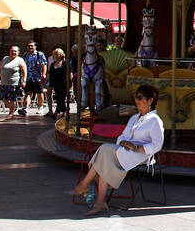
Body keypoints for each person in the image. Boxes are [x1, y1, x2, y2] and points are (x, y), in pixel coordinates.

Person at [63, 84, 164, 216]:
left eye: (140, 98)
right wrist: (123, 142)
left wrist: (137, 148)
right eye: (136, 97)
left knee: (104, 150)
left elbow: (157, 144)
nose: (137, 101)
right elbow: (123, 135)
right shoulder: (134, 118)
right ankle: (98, 202)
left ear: (150, 100)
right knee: (105, 160)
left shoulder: (155, 121)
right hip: (126, 150)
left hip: (141, 154)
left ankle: (83, 186)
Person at [0, 45, 27, 118]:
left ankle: (11, 113)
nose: (13, 52)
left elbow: (24, 70)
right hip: (4, 82)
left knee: (12, 99)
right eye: (11, 51)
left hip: (14, 83)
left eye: (15, 51)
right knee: (3, 98)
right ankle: (13, 108)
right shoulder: (5, 58)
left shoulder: (20, 60)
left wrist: (24, 80)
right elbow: (0, 68)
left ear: (18, 52)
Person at [22, 41, 48, 116]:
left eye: (32, 46)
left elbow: (44, 64)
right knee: (27, 93)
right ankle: (25, 108)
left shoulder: (39, 54)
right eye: (29, 46)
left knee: (39, 92)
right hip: (28, 77)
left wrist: (44, 74)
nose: (30, 47)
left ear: (35, 47)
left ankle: (40, 107)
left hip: (37, 77)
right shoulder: (25, 55)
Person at [48, 48, 69, 117]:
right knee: (58, 97)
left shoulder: (65, 63)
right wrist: (45, 82)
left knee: (61, 97)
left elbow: (68, 73)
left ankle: (58, 111)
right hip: (55, 83)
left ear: (62, 55)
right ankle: (64, 111)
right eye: (55, 54)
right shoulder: (53, 64)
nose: (57, 56)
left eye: (59, 54)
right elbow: (49, 74)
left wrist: (70, 82)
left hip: (63, 83)